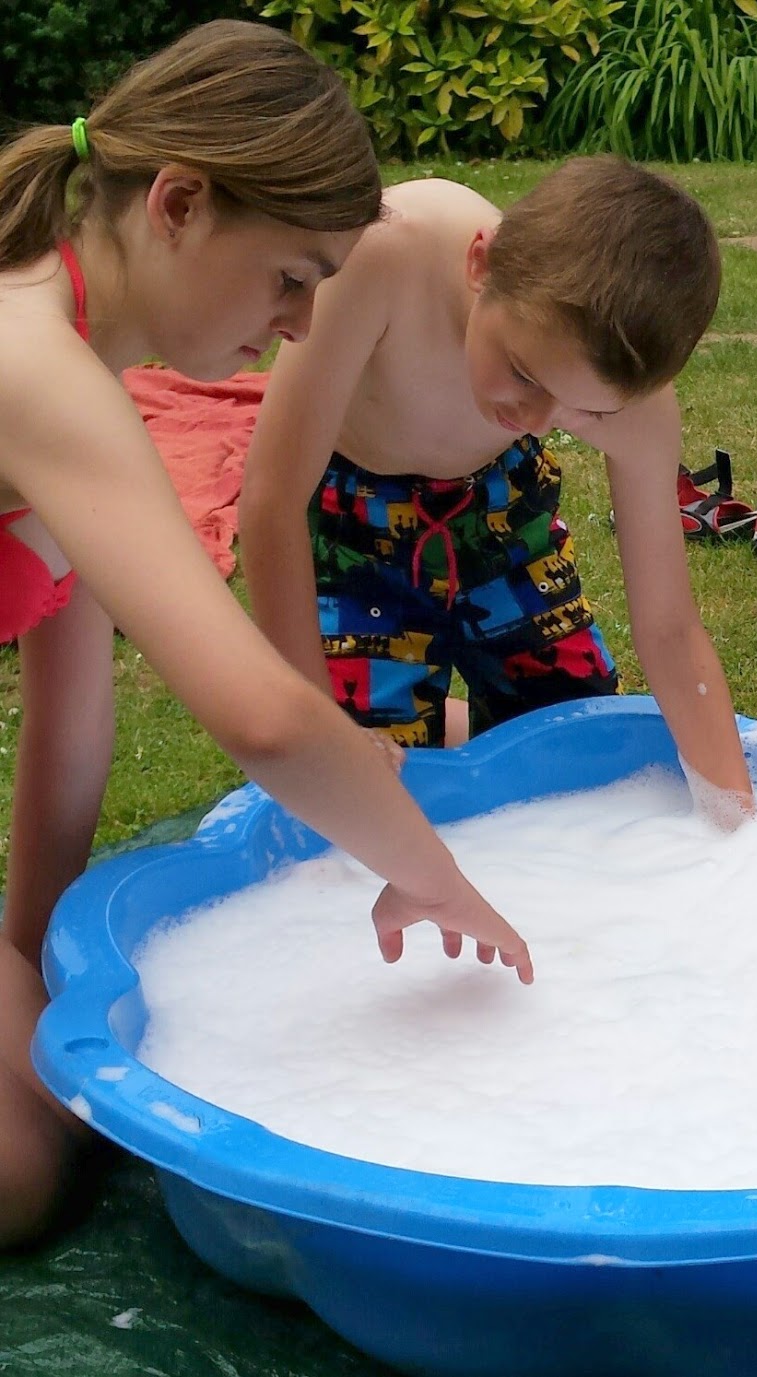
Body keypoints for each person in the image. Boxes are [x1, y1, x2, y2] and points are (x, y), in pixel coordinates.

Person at [0, 20, 533, 1251]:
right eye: (291, 276)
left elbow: (73, 727)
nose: (299, 326)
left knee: (55, 1113)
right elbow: (263, 714)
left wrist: (37, 970)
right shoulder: (32, 358)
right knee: (19, 1173)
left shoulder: (78, 357)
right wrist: (430, 875)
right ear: (177, 205)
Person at [238, 158, 754, 822]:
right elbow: (272, 497)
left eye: (580, 413)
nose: (536, 421)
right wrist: (310, 720)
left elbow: (670, 629)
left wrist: (737, 823)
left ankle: (432, 712)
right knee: (365, 782)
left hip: (500, 508)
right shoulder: (385, 258)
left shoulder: (637, 407)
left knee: (574, 753)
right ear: (480, 264)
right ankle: (411, 712)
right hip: (352, 518)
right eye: (524, 373)